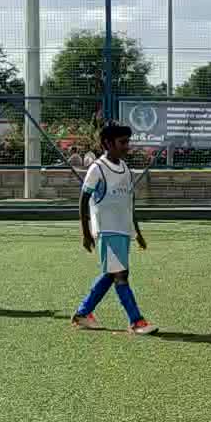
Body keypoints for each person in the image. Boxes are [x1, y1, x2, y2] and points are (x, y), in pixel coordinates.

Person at [71, 123, 158, 334]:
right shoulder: (97, 169)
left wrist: (137, 233)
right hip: (106, 230)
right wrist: (86, 233)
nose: (127, 146)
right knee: (121, 274)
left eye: (128, 141)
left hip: (123, 231)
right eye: (122, 142)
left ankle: (83, 313)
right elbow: (84, 200)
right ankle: (136, 321)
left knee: (111, 274)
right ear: (107, 144)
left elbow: (129, 204)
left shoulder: (126, 170)